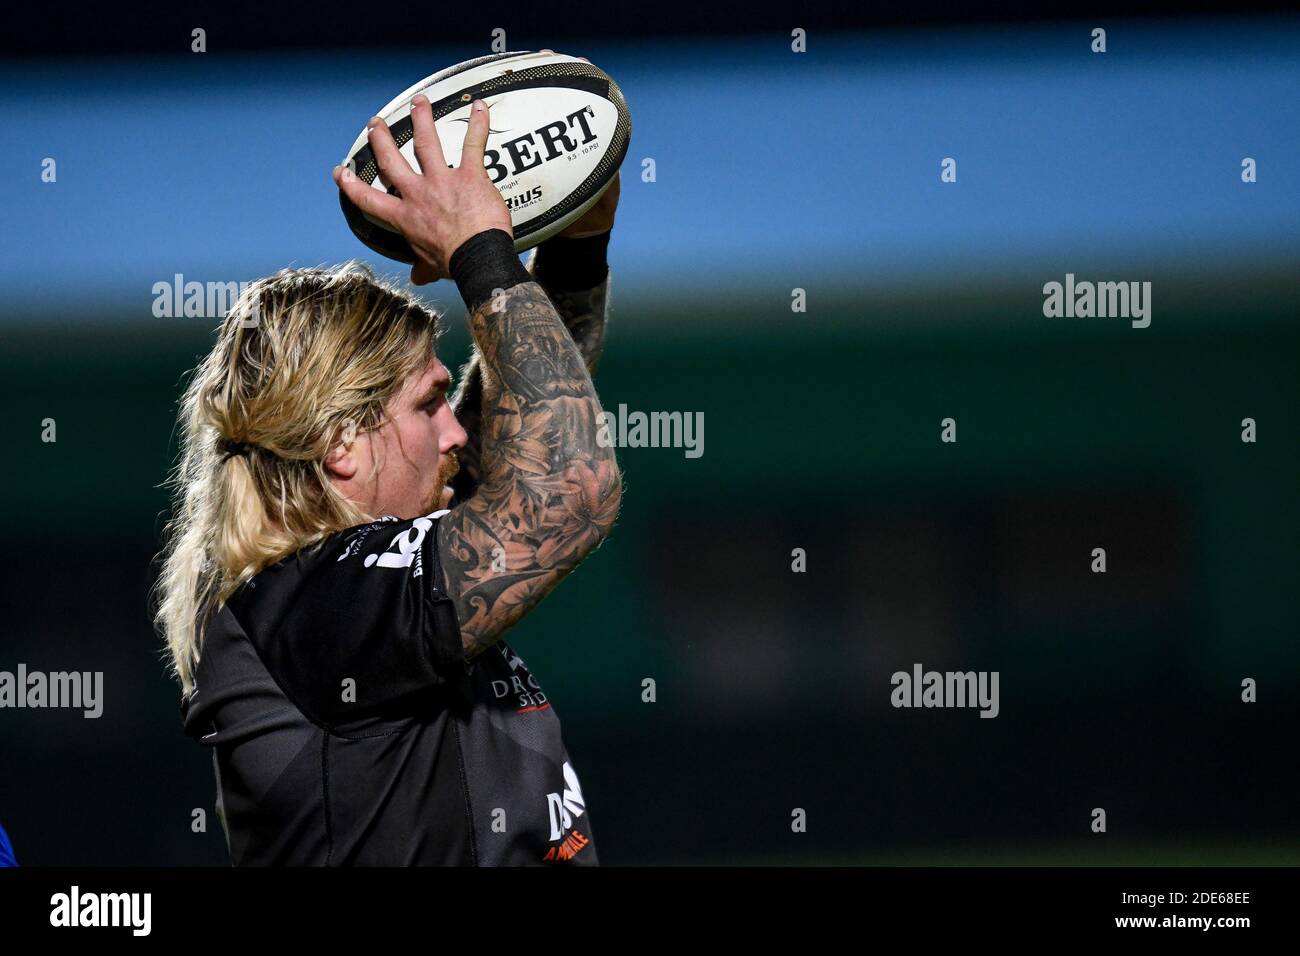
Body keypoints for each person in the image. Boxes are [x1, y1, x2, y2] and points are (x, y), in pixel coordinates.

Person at [153, 94, 622, 865]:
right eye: (430, 403)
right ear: (341, 442)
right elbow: (566, 491)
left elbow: (535, 429)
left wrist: (577, 237)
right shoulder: (311, 606)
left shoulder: (364, 578)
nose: (457, 431)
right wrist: (478, 254)